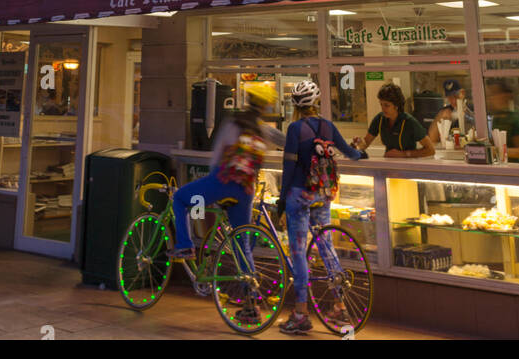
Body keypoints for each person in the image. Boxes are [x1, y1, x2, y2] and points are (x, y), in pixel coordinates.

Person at [276, 79, 365, 335]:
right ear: (317, 102)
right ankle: (339, 307)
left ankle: (301, 313)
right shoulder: (327, 125)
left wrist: (282, 200)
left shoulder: (295, 128)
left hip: (299, 196)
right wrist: (361, 154)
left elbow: (289, 166)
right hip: (323, 194)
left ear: (295, 104)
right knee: (326, 246)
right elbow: (349, 152)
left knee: (299, 252)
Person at [171, 80, 284, 260]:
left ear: (248, 100)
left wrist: (212, 182)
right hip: (246, 189)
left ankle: (185, 246)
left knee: (179, 198)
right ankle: (249, 283)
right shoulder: (263, 130)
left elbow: (217, 155)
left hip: (222, 182)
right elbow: (284, 142)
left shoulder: (233, 122)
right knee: (242, 243)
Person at [355, 82, 435, 159]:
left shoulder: (409, 122)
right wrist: (357, 144)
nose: (383, 108)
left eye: (386, 105)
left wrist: (403, 154)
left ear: (396, 105)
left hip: (407, 165)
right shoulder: (379, 119)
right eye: (381, 104)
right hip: (388, 164)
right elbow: (365, 143)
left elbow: (430, 150)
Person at [486, 79, 519, 162]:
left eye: (494, 94)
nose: (491, 99)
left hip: (517, 168)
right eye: (490, 95)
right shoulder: (497, 117)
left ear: (505, 96)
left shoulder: (515, 118)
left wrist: (496, 150)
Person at [428, 79, 476, 146]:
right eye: (450, 98)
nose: (453, 101)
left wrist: (465, 115)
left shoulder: (474, 108)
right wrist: (440, 117)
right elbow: (432, 139)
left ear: (462, 93)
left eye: (455, 96)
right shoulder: (445, 111)